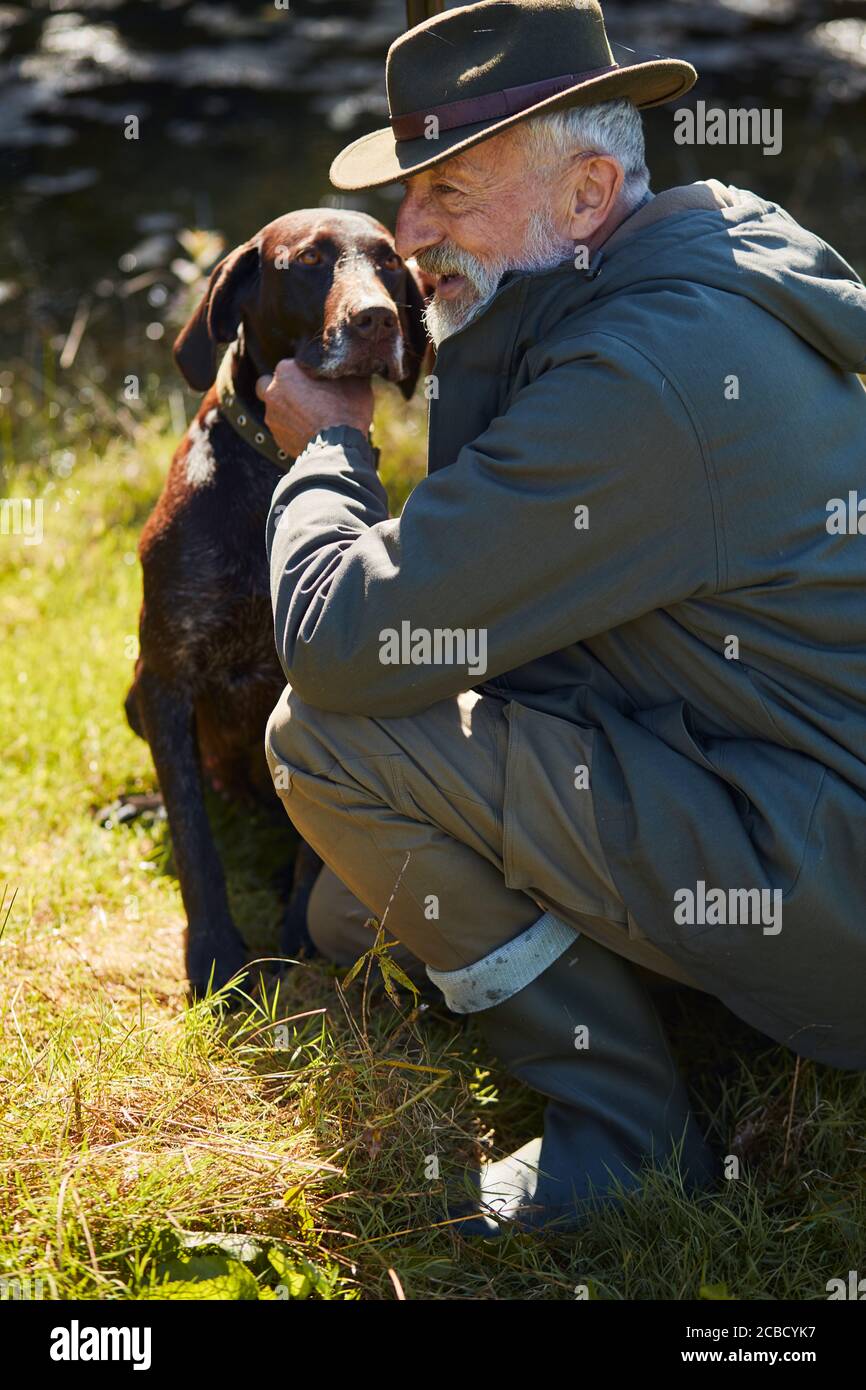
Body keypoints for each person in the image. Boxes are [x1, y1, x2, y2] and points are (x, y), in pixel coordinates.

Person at [257, 0, 866, 1233]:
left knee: (321, 749)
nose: (410, 235)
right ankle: (666, 993)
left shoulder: (639, 377)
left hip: (825, 863)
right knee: (343, 909)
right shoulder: (692, 258)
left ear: (588, 194)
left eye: (453, 194)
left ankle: (629, 1125)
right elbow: (501, 574)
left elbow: (340, 645)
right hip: (787, 780)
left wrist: (325, 456)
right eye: (411, 190)